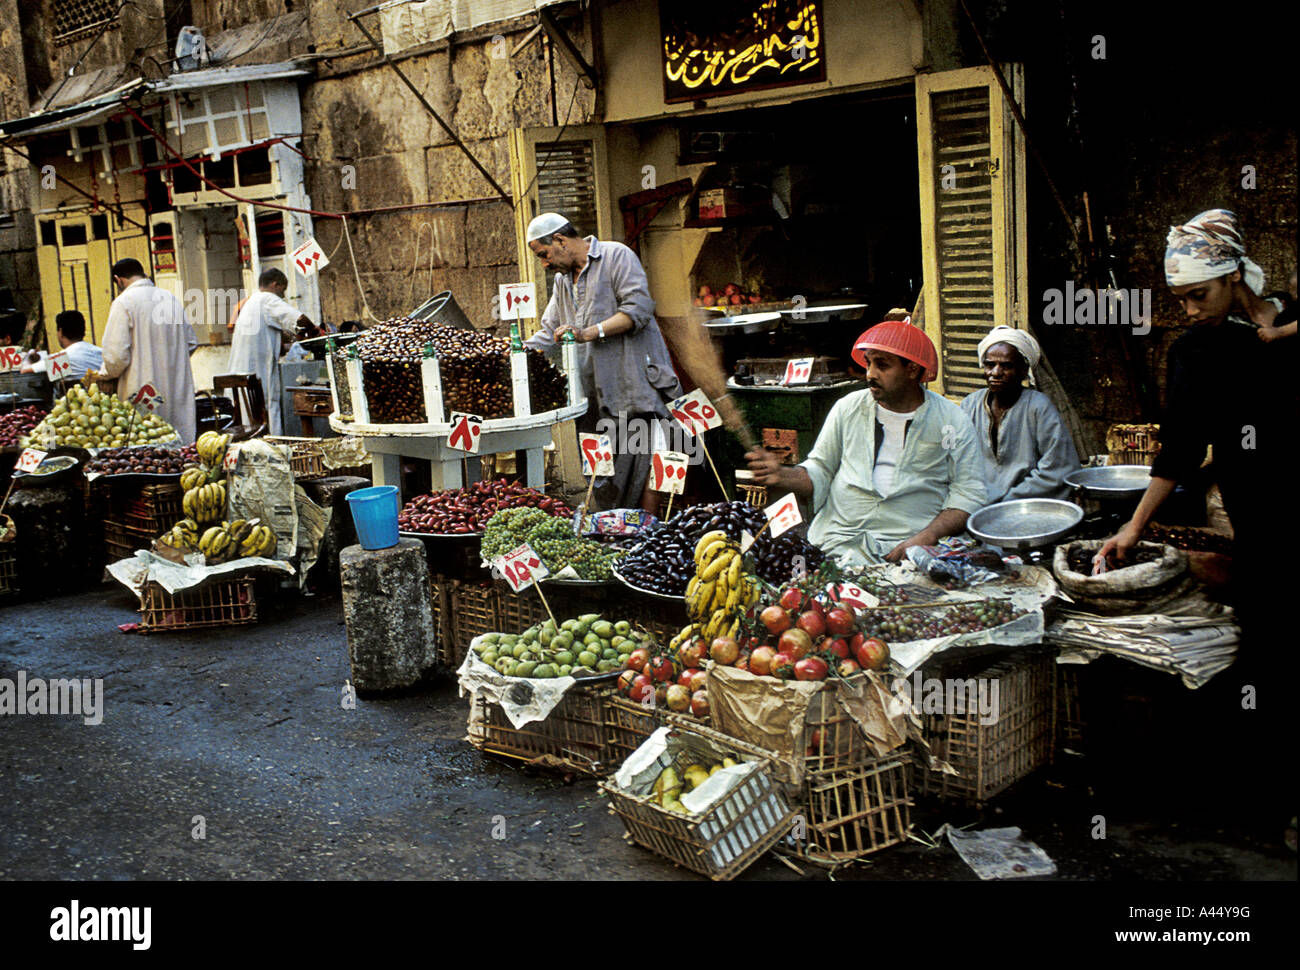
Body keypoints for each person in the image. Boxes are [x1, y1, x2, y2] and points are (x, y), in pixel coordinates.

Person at [1096, 208, 1294, 837]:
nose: (1187, 310)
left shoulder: (1291, 318)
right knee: (1268, 648)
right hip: (1264, 518)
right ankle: (1263, 805)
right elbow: (1178, 449)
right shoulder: (1197, 351)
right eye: (1179, 299)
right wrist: (1133, 526)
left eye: (1198, 295)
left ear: (1236, 276)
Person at [745, 320, 986, 565]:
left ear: (912, 370)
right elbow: (821, 469)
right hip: (835, 540)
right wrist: (782, 475)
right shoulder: (847, 408)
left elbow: (968, 493)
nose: (870, 374)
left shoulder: (952, 421)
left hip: (907, 549)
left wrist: (928, 536)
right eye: (869, 363)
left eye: (882, 365)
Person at [523, 213, 682, 512]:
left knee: (648, 460)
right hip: (595, 393)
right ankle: (616, 532)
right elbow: (549, 331)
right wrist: (512, 351)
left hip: (634, 384)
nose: (544, 263)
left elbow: (638, 310)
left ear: (560, 240)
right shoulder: (561, 282)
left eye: (543, 255)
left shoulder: (615, 256)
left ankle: (647, 536)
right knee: (602, 472)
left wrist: (588, 332)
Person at [960, 325, 1080, 504]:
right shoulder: (970, 405)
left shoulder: (1039, 407)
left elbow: (1058, 469)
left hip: (1024, 503)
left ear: (1024, 371)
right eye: (990, 365)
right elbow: (956, 459)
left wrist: (1008, 501)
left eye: (1006, 366)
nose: (996, 373)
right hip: (975, 501)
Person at [98, 257, 198, 444]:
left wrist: (105, 375)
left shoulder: (123, 302)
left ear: (119, 280)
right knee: (181, 449)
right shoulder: (170, 298)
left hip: (143, 388)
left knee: (148, 446)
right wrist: (173, 360)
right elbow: (191, 342)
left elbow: (115, 356)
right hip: (176, 386)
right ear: (143, 274)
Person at [226, 267, 314, 436]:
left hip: (242, 373)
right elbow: (299, 319)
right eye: (283, 290)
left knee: (250, 416)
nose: (283, 296)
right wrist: (315, 330)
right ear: (275, 284)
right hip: (256, 376)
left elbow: (269, 340)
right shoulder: (267, 299)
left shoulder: (250, 302)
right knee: (264, 414)